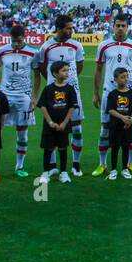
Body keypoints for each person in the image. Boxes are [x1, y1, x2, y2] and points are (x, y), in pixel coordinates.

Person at [37, 14, 87, 175]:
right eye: (68, 28)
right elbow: (43, 68)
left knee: (77, 128)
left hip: (73, 93)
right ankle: (52, 166)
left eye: (72, 27)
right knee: (52, 129)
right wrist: (53, 82)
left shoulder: (76, 46)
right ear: (59, 29)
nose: (71, 30)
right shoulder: (46, 47)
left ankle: (76, 163)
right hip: (53, 95)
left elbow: (79, 66)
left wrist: (69, 84)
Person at [93, 15, 132, 176]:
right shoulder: (104, 45)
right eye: (118, 25)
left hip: (128, 93)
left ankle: (130, 163)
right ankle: (102, 164)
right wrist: (95, 93)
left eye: (123, 25)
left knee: (130, 128)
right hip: (109, 92)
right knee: (105, 128)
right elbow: (99, 70)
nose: (121, 28)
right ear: (113, 26)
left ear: (128, 27)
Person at [0, 23, 38, 177]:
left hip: (24, 97)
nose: (16, 44)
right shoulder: (2, 51)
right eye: (13, 41)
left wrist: (35, 97)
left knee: (22, 131)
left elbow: (37, 76)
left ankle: (19, 166)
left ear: (24, 38)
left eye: (19, 41)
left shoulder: (33, 52)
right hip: (4, 95)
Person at [36, 60, 79, 184]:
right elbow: (42, 106)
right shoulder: (48, 89)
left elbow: (72, 107)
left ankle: (64, 173)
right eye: (64, 70)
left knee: (62, 148)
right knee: (48, 148)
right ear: (55, 73)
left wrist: (65, 123)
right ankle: (45, 173)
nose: (67, 73)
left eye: (68, 70)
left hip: (63, 125)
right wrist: (50, 122)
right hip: (50, 126)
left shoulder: (70, 89)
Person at [104, 67, 132, 178]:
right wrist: (122, 118)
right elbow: (110, 110)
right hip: (115, 126)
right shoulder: (112, 94)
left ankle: (125, 168)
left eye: (126, 77)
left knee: (125, 147)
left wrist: (130, 119)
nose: (125, 79)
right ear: (115, 79)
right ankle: (113, 169)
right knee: (114, 147)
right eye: (122, 77)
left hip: (127, 127)